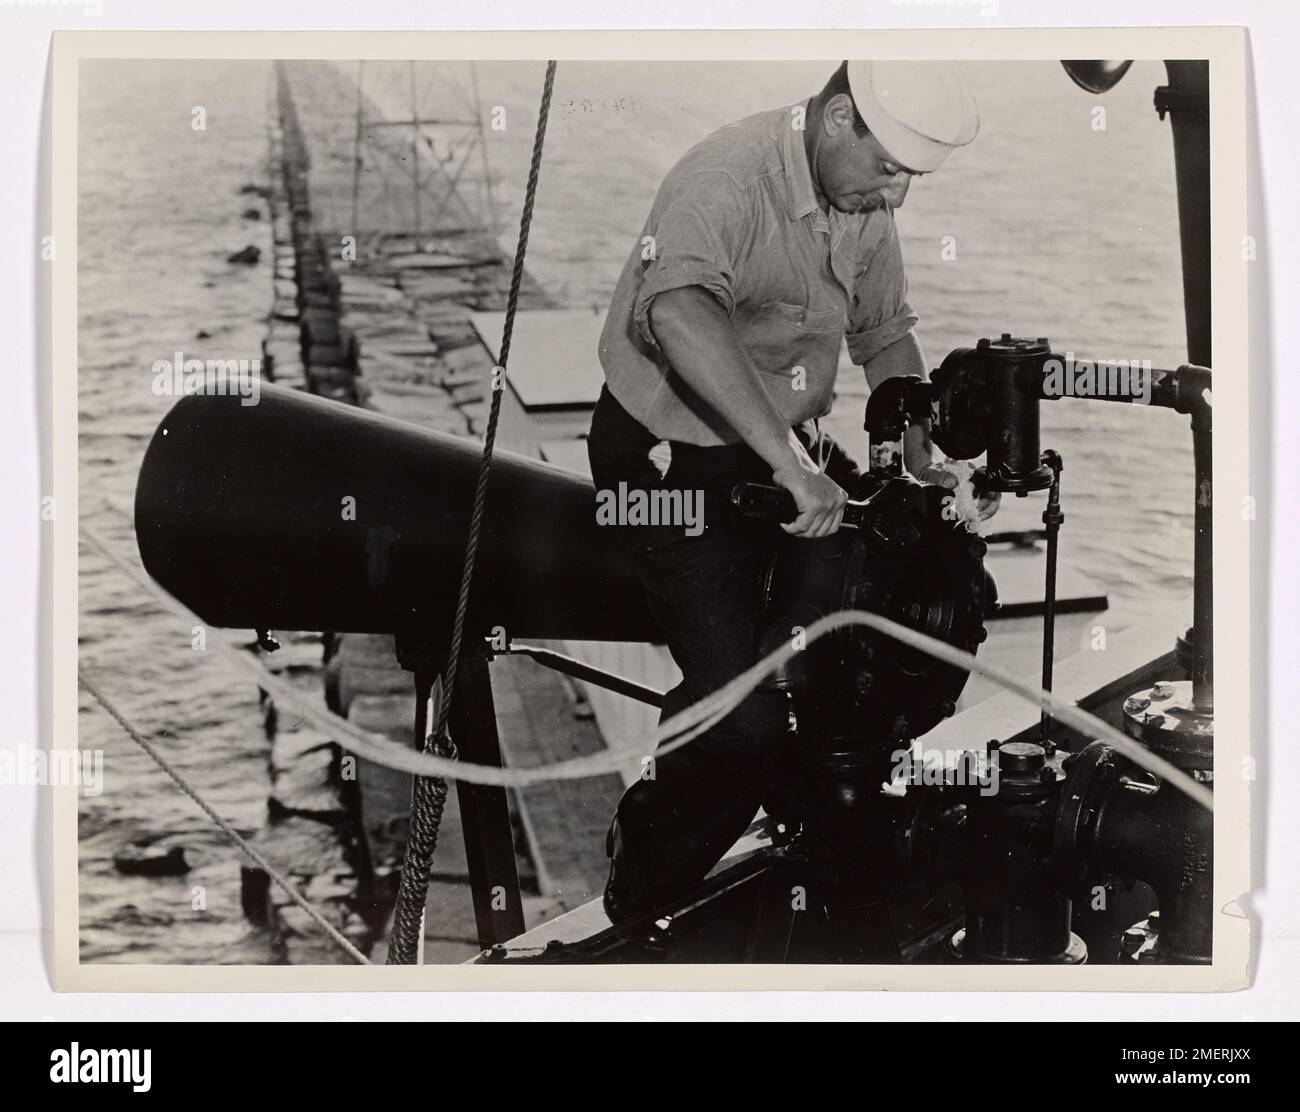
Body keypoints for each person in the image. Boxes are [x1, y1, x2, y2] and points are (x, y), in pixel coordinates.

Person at [588, 60, 997, 921]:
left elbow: (886, 337)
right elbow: (679, 312)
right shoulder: (725, 177)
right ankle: (641, 886)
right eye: (889, 167)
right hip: (669, 465)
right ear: (839, 117)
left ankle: (815, 822)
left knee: (916, 606)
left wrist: (919, 457)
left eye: (911, 176)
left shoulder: (862, 202)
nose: (897, 195)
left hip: (783, 454)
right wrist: (789, 464)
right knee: (746, 711)